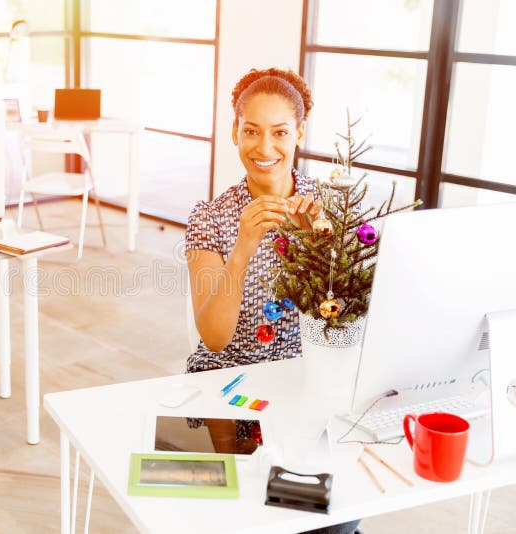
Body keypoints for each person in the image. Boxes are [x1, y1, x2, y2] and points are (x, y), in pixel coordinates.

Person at [184, 67, 360, 534]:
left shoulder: (332, 212)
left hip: (307, 384)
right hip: (226, 389)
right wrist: (242, 248)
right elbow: (216, 338)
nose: (265, 149)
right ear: (235, 133)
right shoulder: (209, 217)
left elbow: (350, 323)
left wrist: (320, 251)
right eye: (252, 132)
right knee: (235, 515)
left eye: (280, 132)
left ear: (299, 133)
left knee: (335, 519)